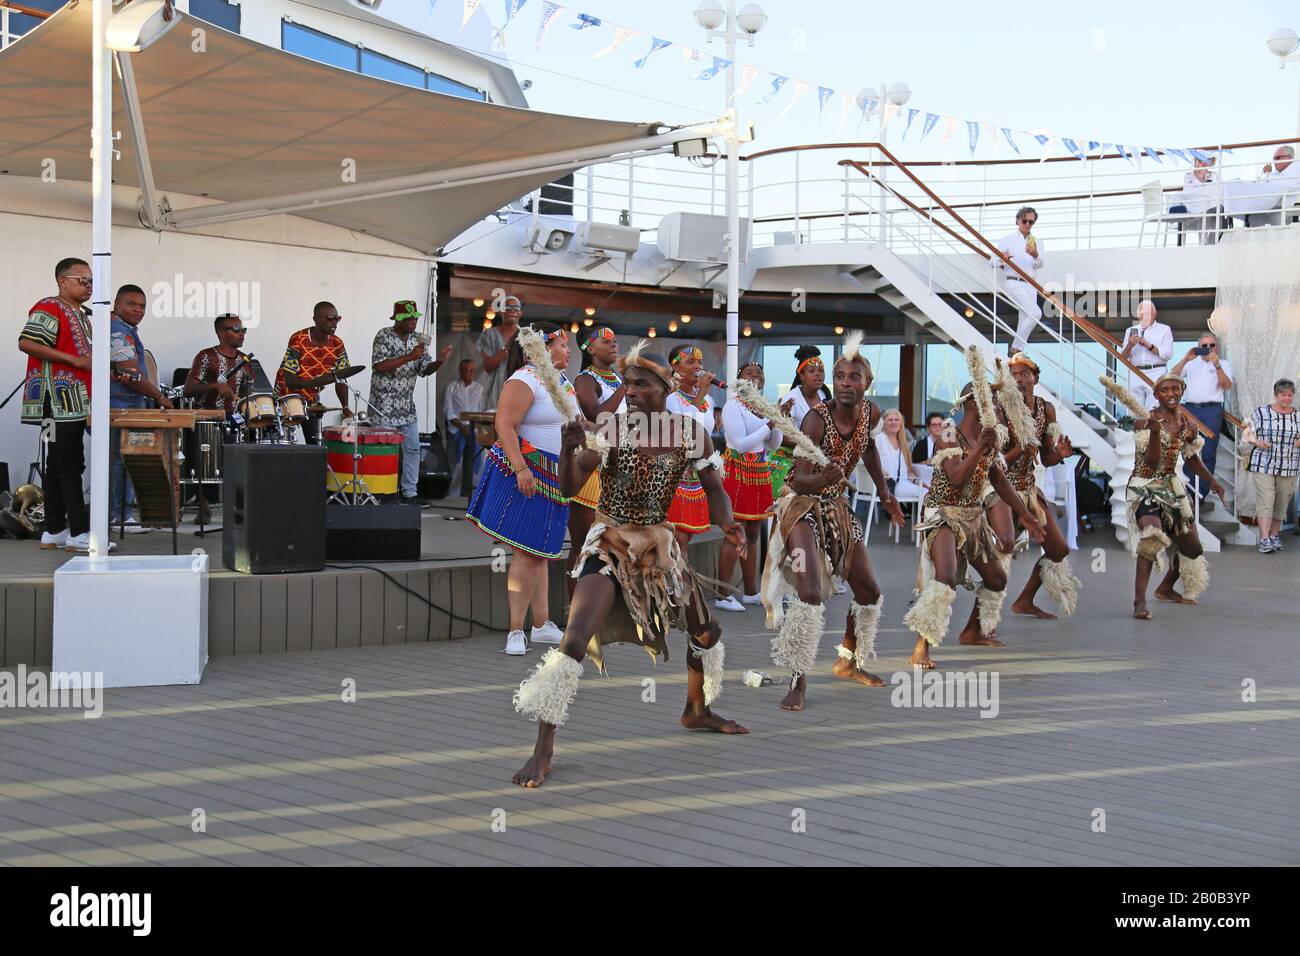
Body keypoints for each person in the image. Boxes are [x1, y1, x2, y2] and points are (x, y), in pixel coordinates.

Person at [510, 342, 748, 788]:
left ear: (666, 387)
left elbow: (714, 487)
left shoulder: (691, 433)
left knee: (707, 631)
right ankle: (542, 750)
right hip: (612, 542)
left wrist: (729, 523)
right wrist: (566, 451)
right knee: (574, 641)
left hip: (659, 545)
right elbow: (568, 487)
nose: (631, 390)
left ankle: (697, 709)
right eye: (628, 383)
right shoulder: (612, 430)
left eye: (642, 384)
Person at [761, 333, 906, 712]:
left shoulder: (872, 413)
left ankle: (848, 660)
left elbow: (868, 447)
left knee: (869, 591)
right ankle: (797, 680)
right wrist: (823, 479)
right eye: (839, 376)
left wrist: (885, 493)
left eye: (853, 377)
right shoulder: (815, 419)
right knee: (809, 592)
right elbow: (798, 478)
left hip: (837, 507)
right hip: (802, 507)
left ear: (866, 384)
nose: (844, 382)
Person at [904, 363, 1045, 669]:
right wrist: (981, 447)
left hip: (972, 516)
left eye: (996, 404)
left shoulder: (988, 438)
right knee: (945, 579)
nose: (996, 409)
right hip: (942, 515)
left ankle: (972, 632)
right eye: (990, 404)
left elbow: (998, 479)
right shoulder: (950, 435)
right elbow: (956, 478)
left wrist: (1026, 515)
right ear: (972, 404)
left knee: (996, 578)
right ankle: (920, 647)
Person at [466, 322, 572, 655]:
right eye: (563, 344)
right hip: (527, 472)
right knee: (527, 553)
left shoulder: (561, 382)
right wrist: (521, 468)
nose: (569, 350)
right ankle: (516, 629)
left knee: (540, 552)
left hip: (555, 476)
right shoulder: (524, 379)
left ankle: (540, 625)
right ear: (542, 348)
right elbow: (504, 425)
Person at [1117, 374, 1223, 619]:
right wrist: (1155, 433)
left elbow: (1191, 458)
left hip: (1170, 487)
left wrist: (1212, 481)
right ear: (1157, 395)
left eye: (1176, 388)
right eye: (1165, 390)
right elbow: (1152, 462)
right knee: (1151, 537)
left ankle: (1165, 588)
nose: (1171, 393)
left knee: (1193, 548)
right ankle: (1139, 602)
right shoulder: (1145, 422)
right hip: (1144, 485)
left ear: (1182, 390)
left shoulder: (1188, 425)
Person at [996, 353, 1082, 624]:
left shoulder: (1046, 409)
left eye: (1024, 374)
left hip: (1029, 488)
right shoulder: (1001, 408)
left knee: (1058, 549)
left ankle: (1024, 601)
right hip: (1000, 489)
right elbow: (993, 462)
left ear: (1035, 378)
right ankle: (982, 620)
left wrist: (1061, 454)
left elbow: (1045, 457)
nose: (1019, 379)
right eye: (1014, 374)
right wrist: (1020, 448)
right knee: (999, 555)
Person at [19, 258, 95, 552]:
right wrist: (74, 360)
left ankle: (53, 530)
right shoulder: (50, 306)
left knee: (57, 464)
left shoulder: (82, 315)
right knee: (69, 463)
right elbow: (26, 342)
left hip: (73, 401)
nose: (88, 286)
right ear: (63, 281)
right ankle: (78, 531)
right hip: (59, 401)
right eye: (82, 280)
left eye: (91, 282)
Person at [369, 300, 452, 504]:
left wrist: (439, 362)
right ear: (398, 319)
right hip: (383, 406)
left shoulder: (419, 340)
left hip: (406, 407)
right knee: (386, 451)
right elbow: (379, 366)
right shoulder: (384, 335)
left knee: (413, 448)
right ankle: (385, 493)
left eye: (415, 318)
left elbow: (424, 370)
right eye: (408, 318)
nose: (413, 322)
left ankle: (410, 492)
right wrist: (409, 356)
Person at [716, 361, 781, 611]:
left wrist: (775, 420)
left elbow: (774, 444)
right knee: (736, 531)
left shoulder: (763, 407)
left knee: (754, 533)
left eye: (759, 373)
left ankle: (751, 592)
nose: (755, 376)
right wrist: (768, 425)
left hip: (760, 470)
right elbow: (741, 444)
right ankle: (722, 595)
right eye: (749, 373)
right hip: (738, 470)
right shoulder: (733, 405)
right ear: (740, 379)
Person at [108, 284, 173, 528]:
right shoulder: (118, 331)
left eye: (142, 306)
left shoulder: (127, 330)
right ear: (116, 305)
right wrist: (160, 397)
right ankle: (120, 515)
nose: (137, 309)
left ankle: (122, 514)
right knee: (122, 461)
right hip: (120, 407)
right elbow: (131, 374)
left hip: (127, 405)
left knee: (124, 460)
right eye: (131, 304)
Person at [566, 326, 627, 583]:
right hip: (594, 466)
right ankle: (575, 611)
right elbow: (597, 416)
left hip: (621, 464)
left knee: (614, 543)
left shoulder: (616, 379)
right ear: (590, 349)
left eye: (615, 340)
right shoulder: (585, 379)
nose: (614, 344)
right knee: (584, 544)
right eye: (606, 341)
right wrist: (626, 387)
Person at [1171, 332, 1233, 505]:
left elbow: (1226, 386)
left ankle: (1200, 494)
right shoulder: (1191, 363)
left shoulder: (1224, 364)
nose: (1208, 349)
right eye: (1204, 346)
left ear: (1216, 347)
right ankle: (1188, 491)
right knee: (1188, 450)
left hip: (1212, 410)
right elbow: (1172, 377)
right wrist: (1185, 359)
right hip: (1190, 410)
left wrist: (1217, 365)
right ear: (1198, 347)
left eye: (1211, 345)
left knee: (1208, 452)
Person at [276, 302, 353, 443]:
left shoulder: (337, 343)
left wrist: (345, 407)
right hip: (286, 398)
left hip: (311, 402)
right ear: (316, 319)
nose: (334, 323)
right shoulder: (298, 339)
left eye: (337, 319)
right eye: (330, 319)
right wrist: (313, 383)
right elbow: (289, 379)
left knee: (316, 445)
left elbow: (341, 377)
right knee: (285, 445)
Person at [664, 344, 717, 547]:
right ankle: (678, 579)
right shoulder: (671, 399)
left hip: (696, 474)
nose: (698, 366)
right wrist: (701, 392)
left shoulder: (708, 401)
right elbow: (686, 428)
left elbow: (706, 433)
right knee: (677, 539)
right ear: (675, 369)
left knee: (686, 538)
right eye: (690, 362)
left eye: (700, 362)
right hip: (676, 473)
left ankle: (683, 579)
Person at [1244, 378, 1300, 555]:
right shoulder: (1261, 413)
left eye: (1290, 395)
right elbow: (1248, 433)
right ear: (1276, 395)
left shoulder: (1298, 416)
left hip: (1289, 465)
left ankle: (1275, 535)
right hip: (1264, 463)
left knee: (1282, 501)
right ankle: (1264, 538)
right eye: (1283, 395)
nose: (1287, 398)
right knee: (1266, 500)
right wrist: (1257, 442)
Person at [771, 344, 831, 496]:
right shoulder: (791, 399)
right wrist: (810, 445)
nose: (818, 375)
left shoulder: (826, 396)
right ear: (802, 376)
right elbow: (781, 436)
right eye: (812, 371)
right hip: (791, 461)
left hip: (819, 460)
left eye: (821, 371)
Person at [996, 206, 1044, 353]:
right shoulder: (1007, 240)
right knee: (1035, 313)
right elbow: (992, 262)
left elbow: (1040, 264)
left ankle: (1018, 352)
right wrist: (1002, 259)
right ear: (1018, 220)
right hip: (1013, 281)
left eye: (1031, 222)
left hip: (1031, 285)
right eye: (1025, 221)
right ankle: (1016, 347)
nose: (1028, 225)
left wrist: (1035, 254)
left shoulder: (1037, 242)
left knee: (1024, 318)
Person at [184, 313, 253, 415]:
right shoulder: (206, 356)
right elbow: (187, 390)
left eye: (244, 330)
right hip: (207, 418)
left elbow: (246, 394)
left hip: (235, 418)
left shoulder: (244, 359)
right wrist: (214, 386)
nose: (242, 333)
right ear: (221, 333)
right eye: (236, 329)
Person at [1118, 300, 1173, 411]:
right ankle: (1136, 429)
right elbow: (1123, 357)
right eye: (1142, 314)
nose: (1145, 316)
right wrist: (1130, 345)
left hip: (1156, 371)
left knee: (1155, 410)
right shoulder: (1130, 331)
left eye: (1148, 313)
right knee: (1133, 409)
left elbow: (1168, 354)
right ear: (1138, 315)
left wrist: (1148, 345)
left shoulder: (1164, 329)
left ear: (1154, 314)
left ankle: (1152, 429)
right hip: (1135, 372)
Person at [443, 358, 485, 485]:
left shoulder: (479, 388)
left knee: (475, 462)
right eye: (467, 370)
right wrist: (462, 427)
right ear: (460, 371)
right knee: (451, 462)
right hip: (456, 428)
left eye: (473, 370)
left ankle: (471, 489)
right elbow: (447, 411)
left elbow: (482, 411)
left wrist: (473, 427)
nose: (470, 373)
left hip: (474, 430)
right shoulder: (451, 387)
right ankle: (448, 490)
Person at [476, 295, 523, 410]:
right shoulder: (489, 334)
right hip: (495, 395)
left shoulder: (526, 335)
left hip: (521, 394)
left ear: (520, 313)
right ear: (500, 312)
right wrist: (506, 351)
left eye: (516, 308)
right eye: (507, 308)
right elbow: (487, 366)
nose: (512, 311)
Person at [874, 408, 927, 500]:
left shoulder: (903, 443)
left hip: (904, 484)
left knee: (929, 490)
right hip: (888, 486)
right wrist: (881, 472)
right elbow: (871, 460)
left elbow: (908, 472)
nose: (894, 422)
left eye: (896, 420)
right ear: (884, 423)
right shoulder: (880, 439)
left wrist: (918, 482)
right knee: (927, 494)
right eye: (890, 420)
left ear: (901, 423)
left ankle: (923, 515)